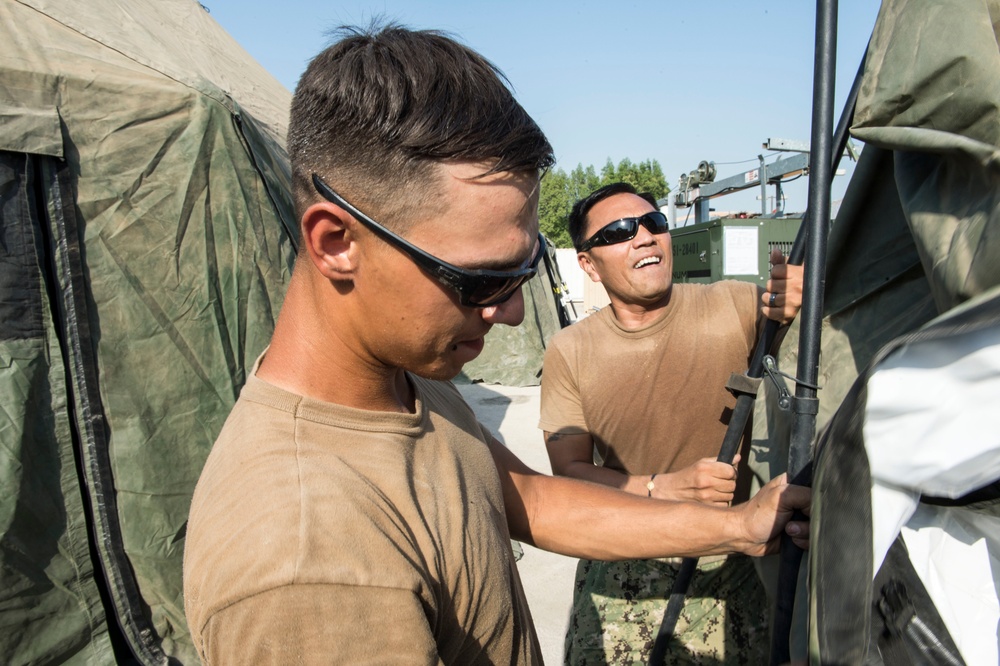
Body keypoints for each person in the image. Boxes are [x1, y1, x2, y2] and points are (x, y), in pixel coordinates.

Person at [182, 25, 810, 666]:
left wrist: (736, 526)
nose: (510, 312)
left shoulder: (407, 381)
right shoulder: (304, 567)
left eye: (524, 271)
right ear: (337, 243)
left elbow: (531, 498)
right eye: (481, 279)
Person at [538, 181, 805, 664]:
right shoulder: (570, 350)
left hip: (732, 563)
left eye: (653, 223)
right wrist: (661, 487)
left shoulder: (736, 305)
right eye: (619, 231)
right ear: (588, 264)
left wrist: (799, 300)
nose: (643, 237)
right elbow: (570, 473)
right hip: (623, 566)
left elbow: (814, 347)